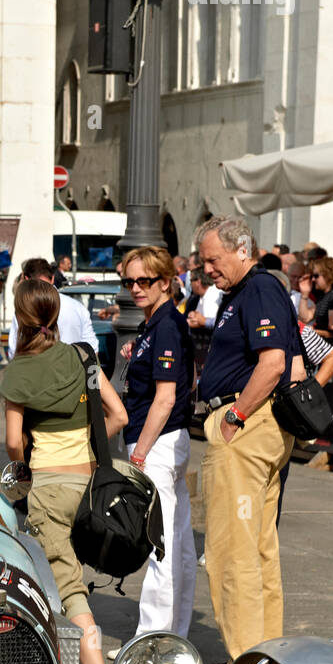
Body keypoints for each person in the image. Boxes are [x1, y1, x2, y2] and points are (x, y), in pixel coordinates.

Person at [1, 278, 128, 664]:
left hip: (49, 489)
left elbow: (14, 443)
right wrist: (89, 450)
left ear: (21, 317)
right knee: (70, 582)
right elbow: (118, 415)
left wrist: (23, 471)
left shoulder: (18, 369)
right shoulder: (82, 356)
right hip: (87, 483)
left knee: (69, 590)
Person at [196, 215, 299, 664]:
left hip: (247, 425)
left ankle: (245, 659)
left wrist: (235, 416)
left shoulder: (257, 289)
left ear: (242, 249)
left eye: (213, 260)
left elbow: (275, 362)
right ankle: (264, 652)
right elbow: (291, 361)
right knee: (257, 547)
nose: (207, 271)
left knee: (230, 548)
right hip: (260, 426)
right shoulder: (251, 292)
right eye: (202, 263)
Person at [121, 247, 197, 639]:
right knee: (177, 542)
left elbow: (166, 397)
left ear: (165, 282)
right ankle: (173, 636)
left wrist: (139, 452)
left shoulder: (166, 323)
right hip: (165, 440)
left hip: (158, 442)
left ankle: (153, 639)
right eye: (129, 281)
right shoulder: (155, 322)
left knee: (161, 545)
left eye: (144, 281)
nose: (135, 288)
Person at [8, 258, 98, 357]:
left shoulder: (24, 309)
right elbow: (92, 349)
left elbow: (14, 350)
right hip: (73, 369)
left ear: (26, 279)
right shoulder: (77, 307)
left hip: (36, 369)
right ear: (53, 278)